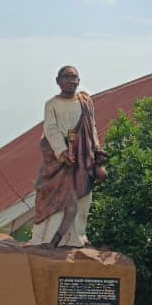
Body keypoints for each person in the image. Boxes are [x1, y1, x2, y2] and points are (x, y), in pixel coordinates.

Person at [30, 66, 106, 247]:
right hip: (58, 159)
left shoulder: (85, 102)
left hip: (83, 156)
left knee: (83, 197)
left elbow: (92, 127)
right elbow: (51, 129)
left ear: (78, 81)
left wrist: (97, 150)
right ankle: (50, 238)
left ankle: (77, 236)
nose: (71, 81)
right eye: (66, 77)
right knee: (52, 194)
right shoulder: (51, 104)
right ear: (58, 81)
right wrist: (62, 151)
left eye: (74, 78)